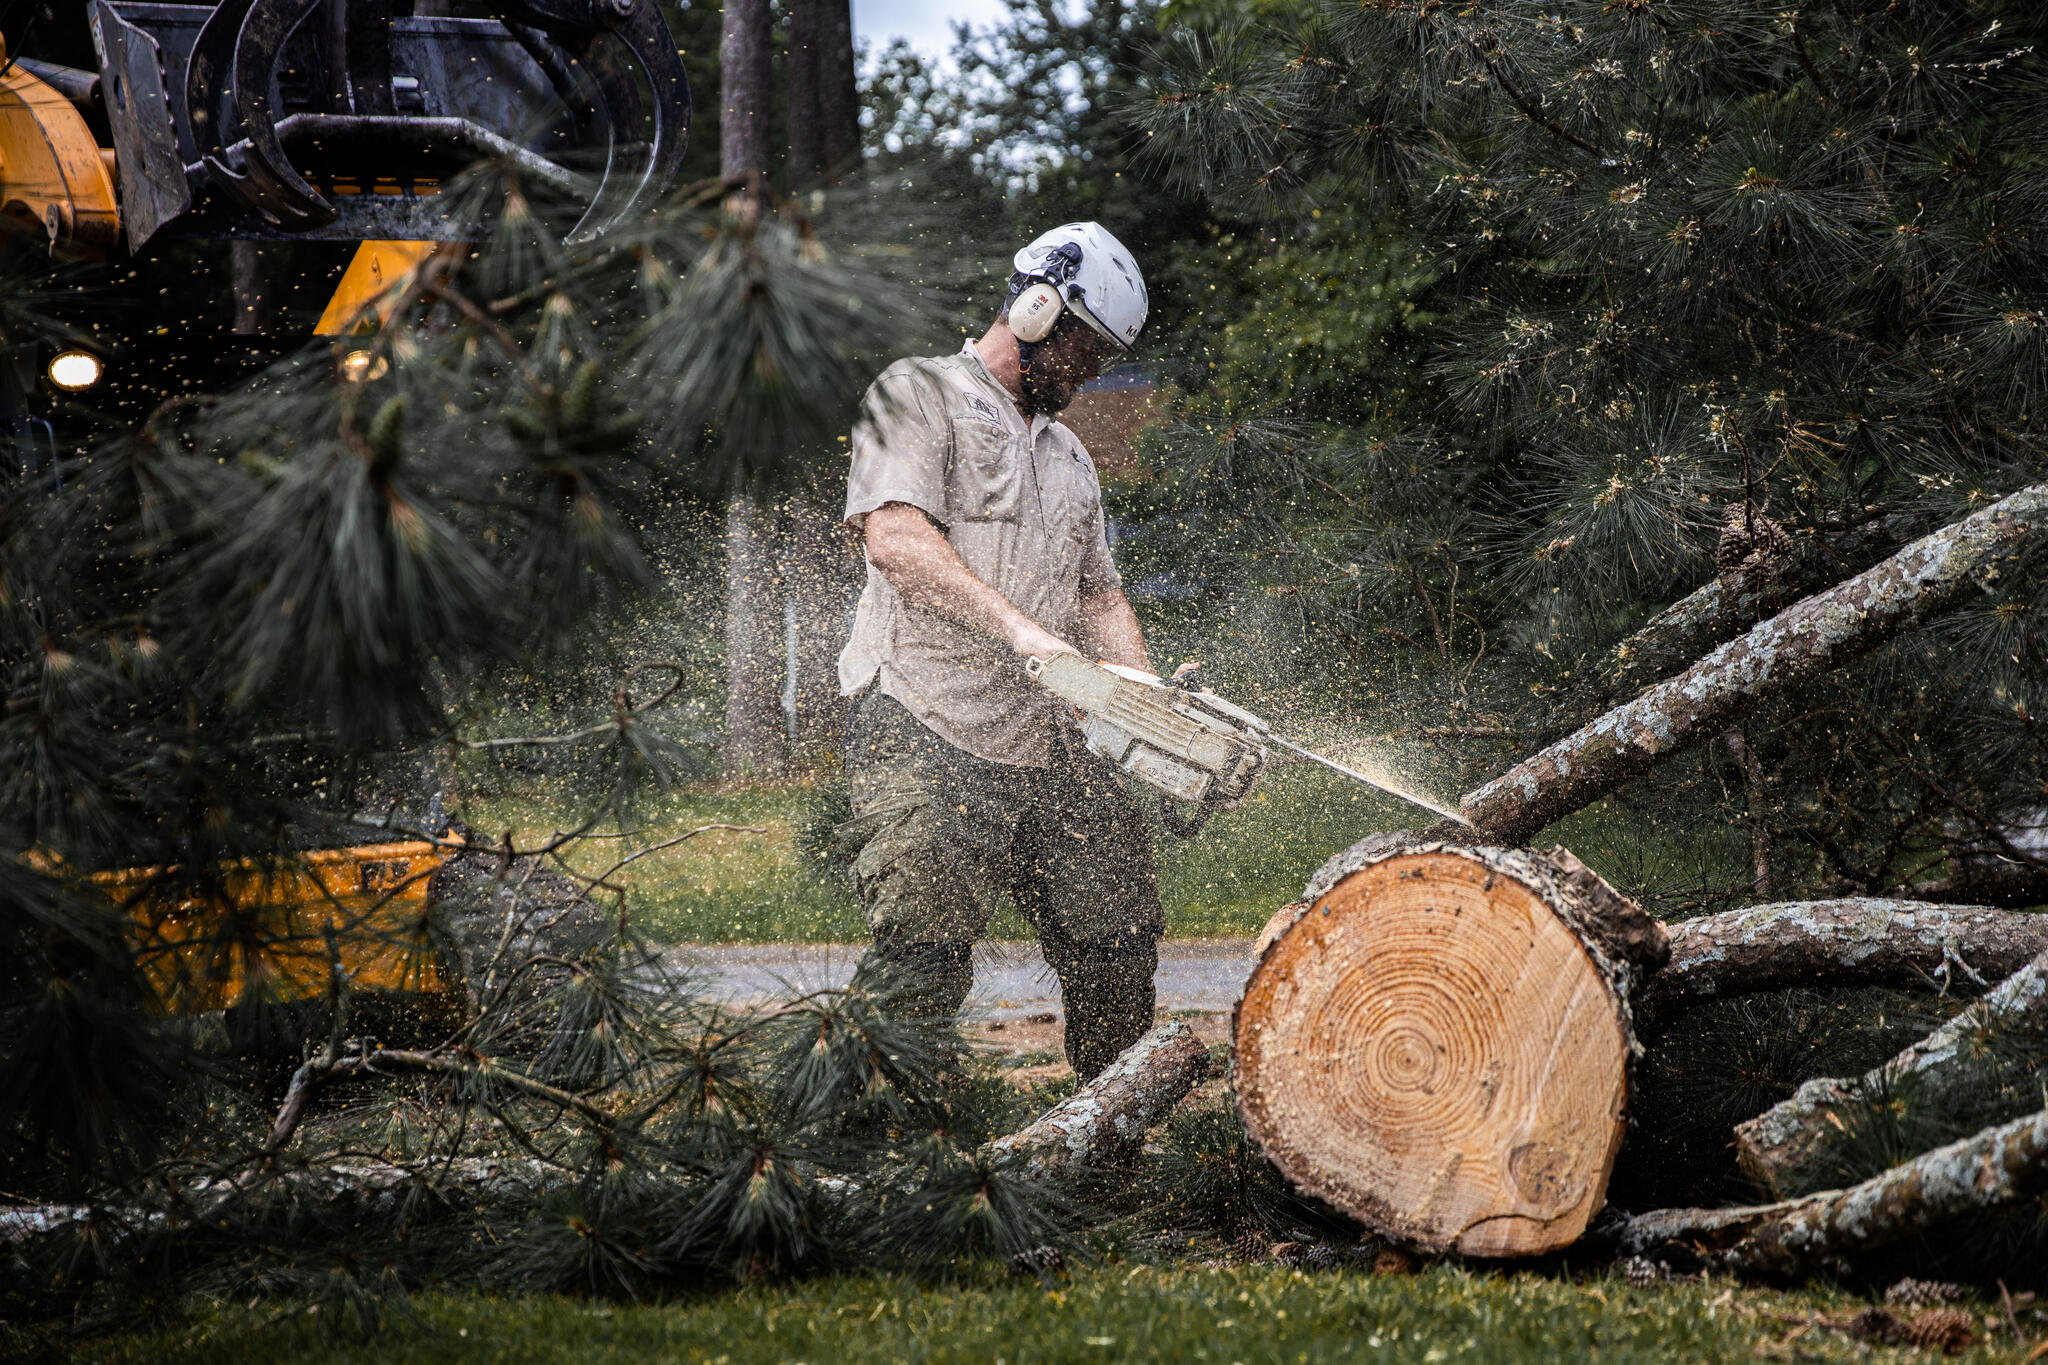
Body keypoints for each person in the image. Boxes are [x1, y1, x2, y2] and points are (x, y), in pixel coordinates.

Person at [836, 222, 1160, 1080]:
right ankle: (877, 1152)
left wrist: (1148, 698)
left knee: (1119, 931)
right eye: (1087, 353)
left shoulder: (1071, 457)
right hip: (925, 719)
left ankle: (1105, 1132)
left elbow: (1101, 596)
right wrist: (1020, 628)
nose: (1091, 375)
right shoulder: (918, 393)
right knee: (922, 959)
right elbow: (895, 539)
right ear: (1037, 308)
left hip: (1047, 737)